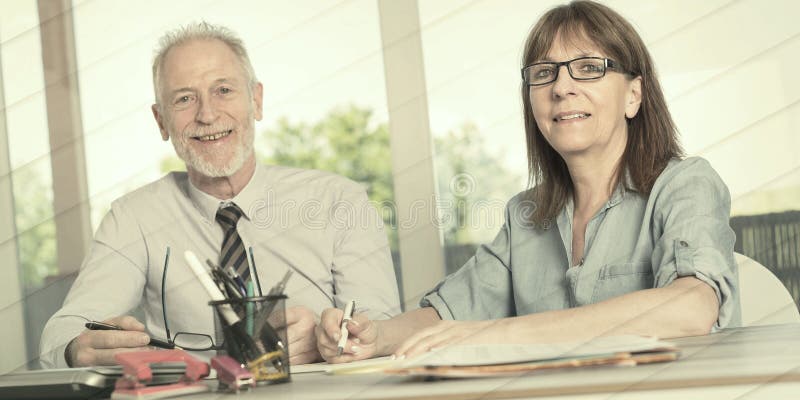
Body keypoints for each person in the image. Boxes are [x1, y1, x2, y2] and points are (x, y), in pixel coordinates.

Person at [316, 0, 740, 362]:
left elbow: (693, 308)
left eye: (589, 68)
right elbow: (449, 314)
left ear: (634, 95)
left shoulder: (686, 185)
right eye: (544, 73)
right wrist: (372, 337)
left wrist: (500, 335)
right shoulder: (526, 215)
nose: (562, 87)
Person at [39, 22, 400, 368]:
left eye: (223, 90)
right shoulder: (132, 218)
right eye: (184, 99)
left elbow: (382, 329)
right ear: (161, 121)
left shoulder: (340, 202)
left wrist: (332, 341)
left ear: (256, 101)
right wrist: (76, 349)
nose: (207, 114)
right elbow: (61, 333)